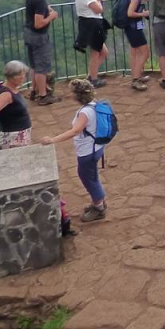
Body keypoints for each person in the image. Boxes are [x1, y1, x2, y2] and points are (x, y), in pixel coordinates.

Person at [41, 79, 107, 222]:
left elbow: (75, 131)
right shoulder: (95, 104)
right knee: (91, 176)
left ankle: (99, 207)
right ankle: (99, 201)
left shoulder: (85, 112)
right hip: (97, 147)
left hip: (88, 151)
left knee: (87, 178)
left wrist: (53, 140)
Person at [23, 0, 61, 105]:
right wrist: (52, 16)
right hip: (38, 36)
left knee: (34, 65)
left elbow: (35, 9)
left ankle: (34, 91)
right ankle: (43, 97)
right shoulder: (40, 0)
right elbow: (38, 24)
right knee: (42, 67)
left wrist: (47, 8)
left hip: (29, 34)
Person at [0, 60, 35, 148]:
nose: (23, 77)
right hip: (14, 139)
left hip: (19, 136)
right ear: (10, 77)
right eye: (19, 75)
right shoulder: (6, 95)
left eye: (23, 74)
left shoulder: (3, 88)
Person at [72, 0, 109, 88]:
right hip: (93, 25)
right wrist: (98, 1)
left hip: (87, 24)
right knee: (95, 53)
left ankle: (91, 75)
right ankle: (93, 79)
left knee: (103, 52)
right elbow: (99, 9)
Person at [121, 0, 151, 90]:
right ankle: (136, 80)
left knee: (135, 52)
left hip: (130, 27)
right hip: (134, 28)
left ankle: (136, 75)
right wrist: (144, 13)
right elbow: (130, 13)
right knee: (145, 53)